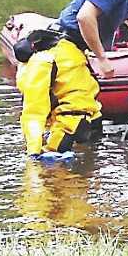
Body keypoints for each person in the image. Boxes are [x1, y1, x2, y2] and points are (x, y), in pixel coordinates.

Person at [13, 24, 103, 161]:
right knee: (91, 164)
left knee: (53, 172)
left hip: (68, 125)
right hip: (94, 117)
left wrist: (33, 152)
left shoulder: (39, 63)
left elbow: (34, 113)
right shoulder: (70, 49)